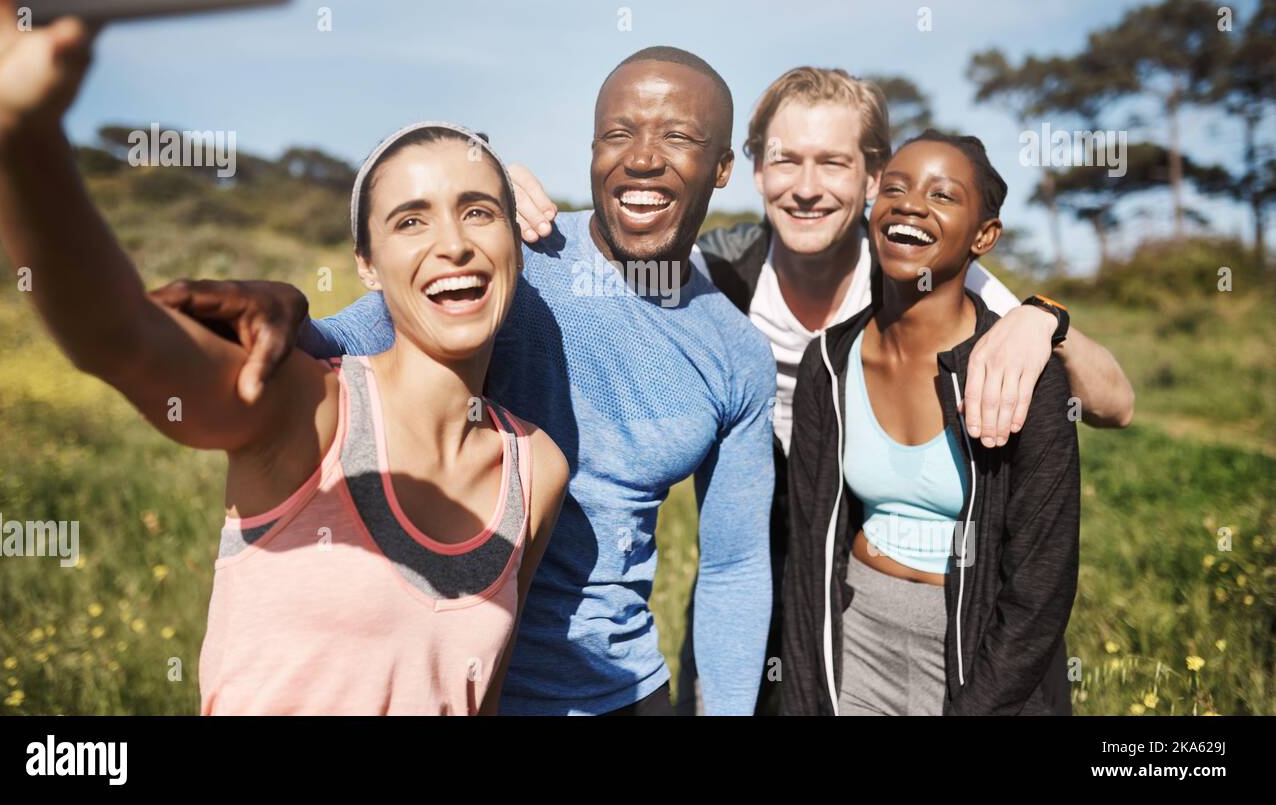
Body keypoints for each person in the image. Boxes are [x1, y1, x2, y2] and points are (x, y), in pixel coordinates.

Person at [0, 0, 567, 715]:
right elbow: (120, 338)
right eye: (410, 221)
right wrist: (15, 139)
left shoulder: (536, 466)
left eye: (479, 212)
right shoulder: (305, 408)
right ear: (365, 265)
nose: (454, 245)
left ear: (513, 237)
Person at [478, 66, 1134, 713]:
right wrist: (475, 194)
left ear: (873, 180)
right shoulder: (712, 274)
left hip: (850, 560)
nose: (807, 188)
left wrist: (1046, 318)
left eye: (834, 163)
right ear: (754, 170)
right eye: (786, 160)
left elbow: (1116, 404)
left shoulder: (916, 272)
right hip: (756, 541)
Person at [157, 46, 779, 715]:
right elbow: (334, 348)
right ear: (592, 148)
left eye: (679, 136)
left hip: (625, 691)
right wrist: (279, 305)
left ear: (722, 168)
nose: (644, 158)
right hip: (461, 687)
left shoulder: (736, 353)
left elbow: (732, 568)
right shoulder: (510, 261)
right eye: (619, 134)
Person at [782, 130, 1081, 715]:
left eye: (942, 196)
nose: (911, 204)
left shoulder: (1023, 370)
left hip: (980, 650)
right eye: (894, 188)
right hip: (858, 637)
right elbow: (807, 551)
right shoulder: (828, 364)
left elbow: (1042, 581)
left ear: (984, 236)